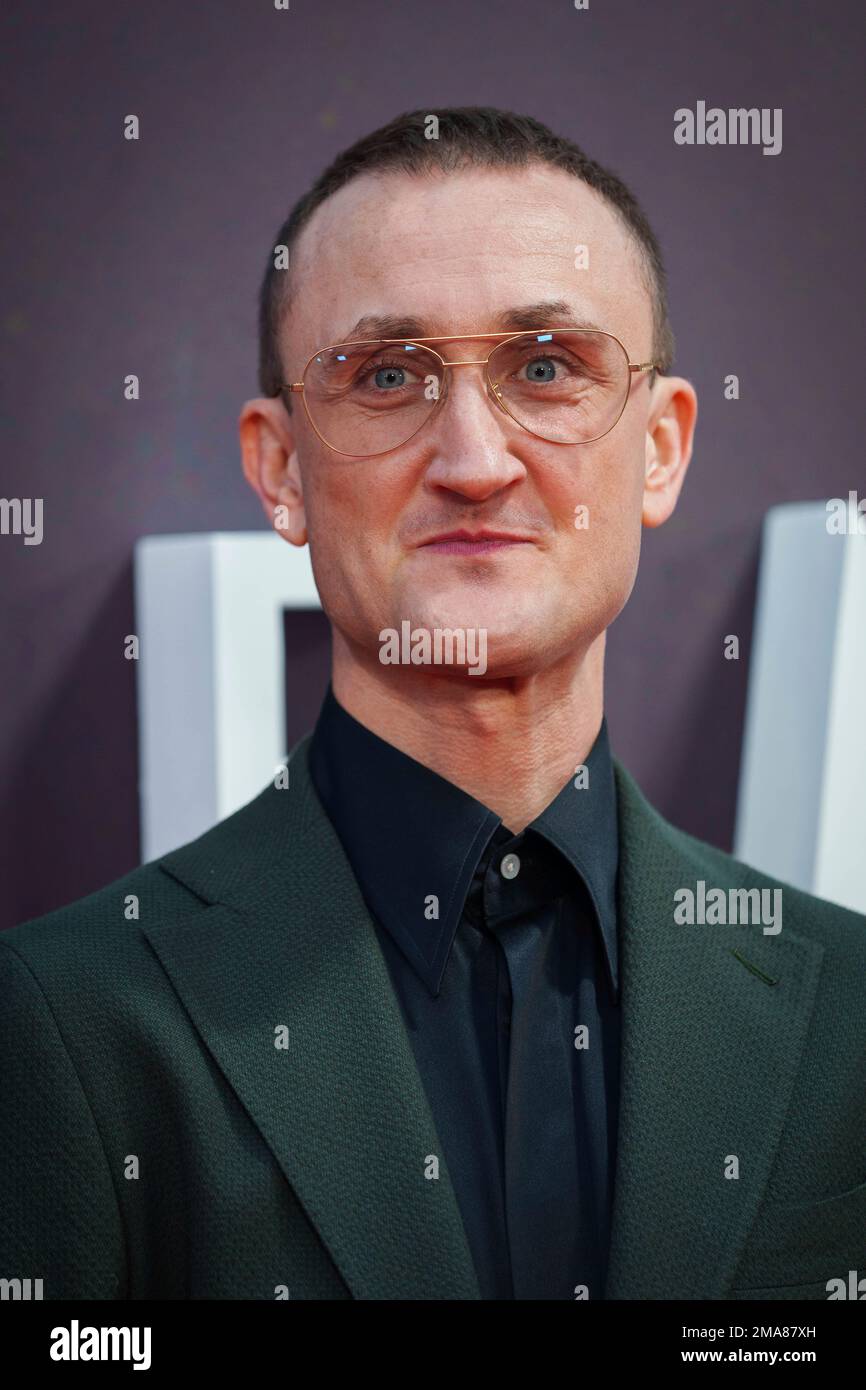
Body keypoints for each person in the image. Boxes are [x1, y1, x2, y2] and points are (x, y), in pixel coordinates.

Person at [2, 108, 864, 1301]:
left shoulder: (849, 1006)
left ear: (660, 448)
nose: (472, 458)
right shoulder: (63, 1022)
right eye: (388, 375)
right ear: (280, 469)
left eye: (546, 367)